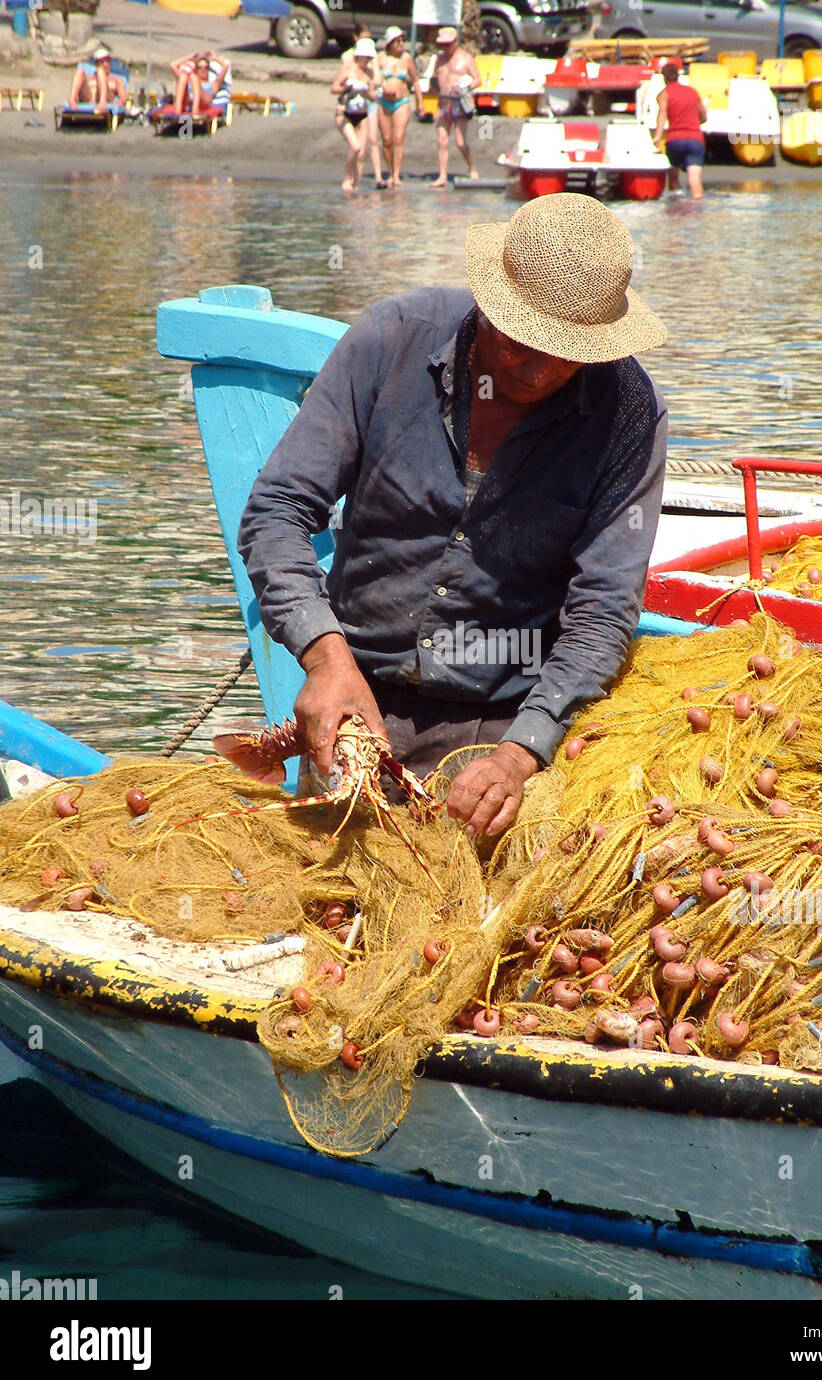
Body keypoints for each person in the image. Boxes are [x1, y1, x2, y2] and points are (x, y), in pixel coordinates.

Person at [238, 193, 669, 841]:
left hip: (503, 716)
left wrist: (518, 756)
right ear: (491, 303)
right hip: (356, 690)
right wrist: (325, 660)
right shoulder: (392, 340)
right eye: (520, 339)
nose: (536, 367)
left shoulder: (628, 414)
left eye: (565, 352)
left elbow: (603, 611)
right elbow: (276, 510)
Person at [429, 25, 480, 188]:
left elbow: (478, 80)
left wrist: (466, 87)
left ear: (456, 42)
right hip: (443, 103)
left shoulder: (466, 58)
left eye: (448, 44)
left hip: (459, 103)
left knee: (460, 141)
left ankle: (472, 167)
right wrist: (432, 86)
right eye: (442, 45)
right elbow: (435, 79)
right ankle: (442, 176)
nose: (445, 48)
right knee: (442, 141)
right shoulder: (438, 59)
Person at [335, 24, 384, 188]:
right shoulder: (348, 69)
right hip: (345, 113)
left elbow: (372, 96)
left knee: (361, 152)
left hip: (362, 114)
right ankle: (347, 179)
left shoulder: (369, 73)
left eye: (370, 58)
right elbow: (334, 88)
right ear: (360, 56)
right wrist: (347, 88)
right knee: (355, 147)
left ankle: (356, 185)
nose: (369, 61)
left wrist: (366, 92)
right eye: (367, 58)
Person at [652, 61, 707, 199]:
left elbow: (662, 115)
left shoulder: (664, 94)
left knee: (673, 176)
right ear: (678, 76)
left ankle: (676, 209)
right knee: (695, 181)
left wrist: (657, 137)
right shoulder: (692, 92)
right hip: (695, 139)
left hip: (675, 140)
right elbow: (704, 116)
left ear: (664, 78)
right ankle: (697, 209)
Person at [377, 26, 421, 189]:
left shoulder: (407, 58)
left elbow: (415, 80)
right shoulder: (380, 58)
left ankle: (396, 175)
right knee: (387, 140)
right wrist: (382, 87)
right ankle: (389, 172)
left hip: (402, 101)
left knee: (398, 138)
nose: (401, 44)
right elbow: (374, 78)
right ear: (389, 43)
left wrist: (420, 103)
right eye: (397, 41)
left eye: (402, 40)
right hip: (384, 102)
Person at [66, 45, 126, 112]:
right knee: (80, 71)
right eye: (102, 62)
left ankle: (102, 101)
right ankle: (71, 99)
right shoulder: (89, 78)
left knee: (100, 71)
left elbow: (123, 98)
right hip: (87, 100)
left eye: (107, 61)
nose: (105, 64)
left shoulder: (116, 80)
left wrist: (120, 102)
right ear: (96, 63)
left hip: (106, 100)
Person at [171, 49, 230, 117]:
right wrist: (189, 58)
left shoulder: (214, 83)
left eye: (206, 68)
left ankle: (195, 109)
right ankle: (178, 108)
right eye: (200, 68)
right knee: (183, 76)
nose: (203, 70)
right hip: (188, 102)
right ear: (196, 69)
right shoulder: (190, 81)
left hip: (204, 103)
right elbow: (173, 65)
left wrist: (214, 58)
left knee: (194, 78)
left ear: (209, 69)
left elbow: (226, 65)